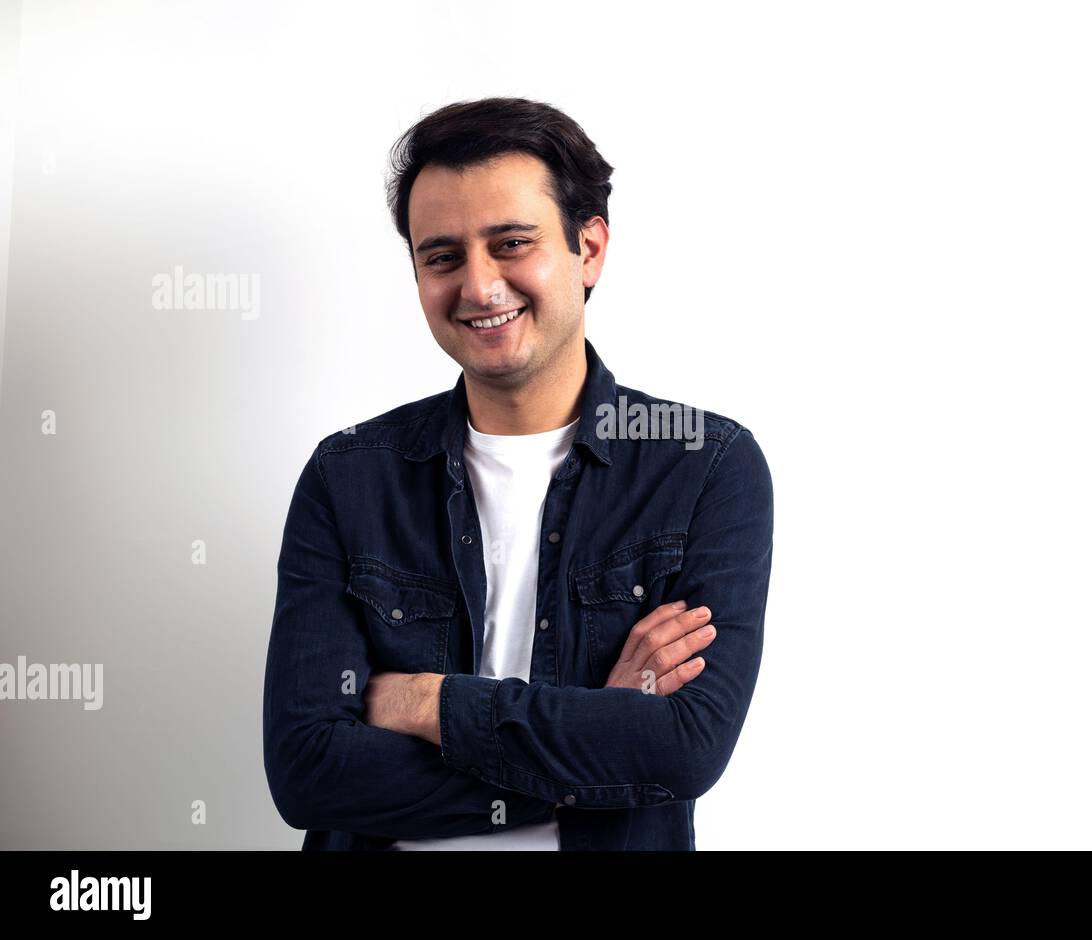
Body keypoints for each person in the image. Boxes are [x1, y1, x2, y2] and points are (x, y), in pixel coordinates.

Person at [262, 97, 774, 850]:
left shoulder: (704, 466)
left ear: (589, 248)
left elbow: (683, 748)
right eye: (442, 256)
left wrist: (426, 702)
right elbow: (307, 771)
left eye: (510, 243)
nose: (478, 286)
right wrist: (591, 741)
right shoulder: (348, 477)